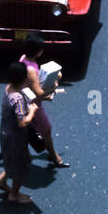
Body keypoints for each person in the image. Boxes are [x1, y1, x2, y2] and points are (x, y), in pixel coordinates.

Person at [0, 61, 37, 205]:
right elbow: (22, 122)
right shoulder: (18, 99)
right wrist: (32, 111)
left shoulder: (8, 88)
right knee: (21, 166)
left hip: (6, 131)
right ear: (24, 79)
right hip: (16, 137)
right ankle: (14, 195)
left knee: (13, 160)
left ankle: (1, 181)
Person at [19, 34, 66, 167]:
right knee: (46, 129)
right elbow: (39, 93)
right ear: (39, 51)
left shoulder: (23, 58)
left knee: (28, 128)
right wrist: (56, 83)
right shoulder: (31, 70)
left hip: (24, 99)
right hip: (32, 104)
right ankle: (54, 157)